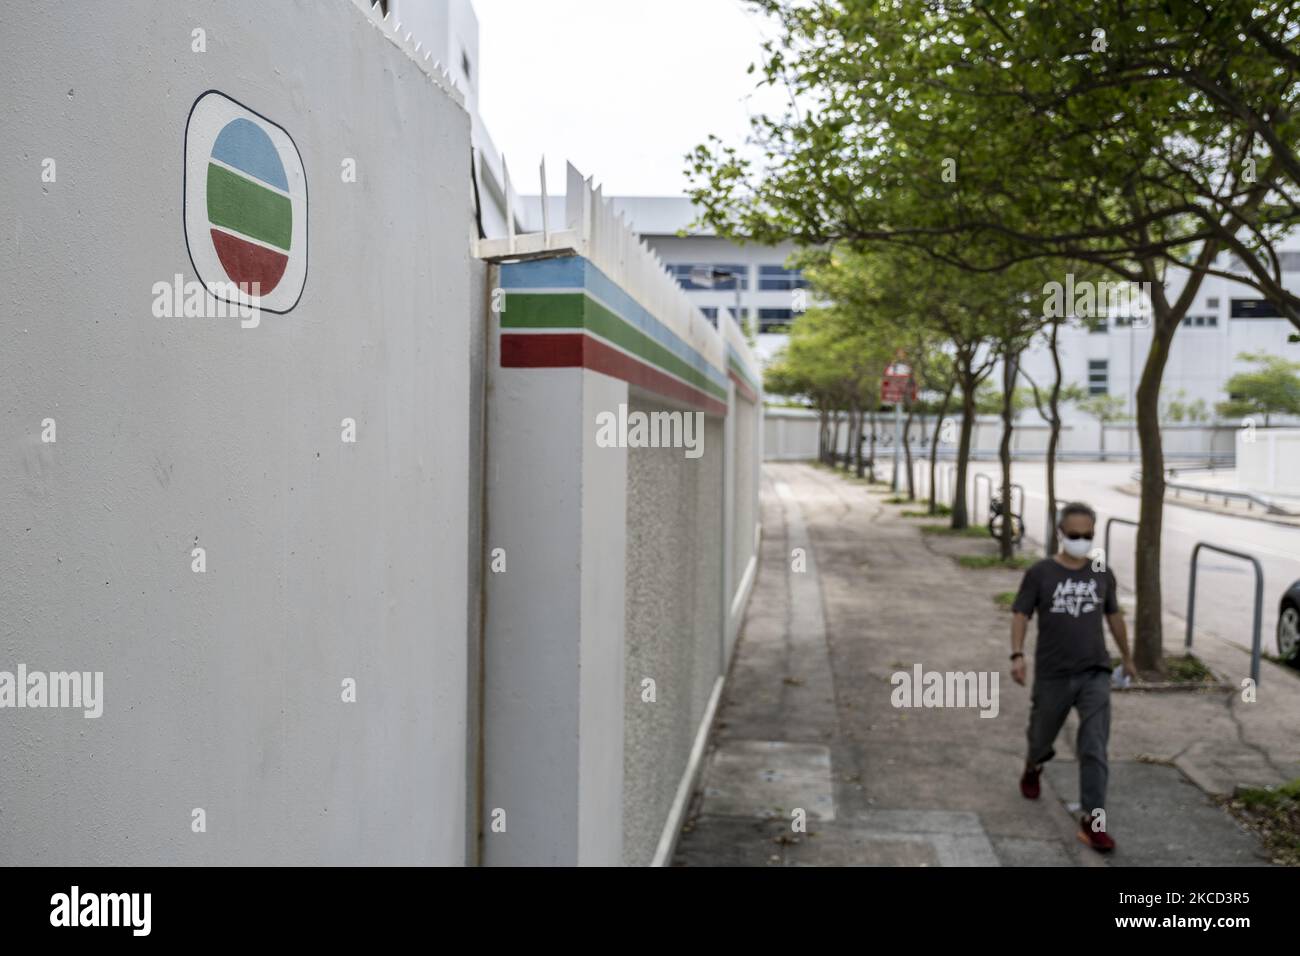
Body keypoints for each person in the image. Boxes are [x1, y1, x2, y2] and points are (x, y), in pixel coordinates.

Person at [1009, 501, 1136, 853]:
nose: (1082, 540)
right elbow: (1021, 613)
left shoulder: (1101, 572)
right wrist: (1017, 654)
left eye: (1088, 535)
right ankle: (1033, 764)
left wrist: (1127, 658)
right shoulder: (1041, 573)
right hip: (1053, 674)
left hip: (1094, 671)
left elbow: (1114, 616)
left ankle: (1093, 821)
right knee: (1040, 736)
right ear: (1061, 534)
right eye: (1075, 535)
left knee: (1094, 746)